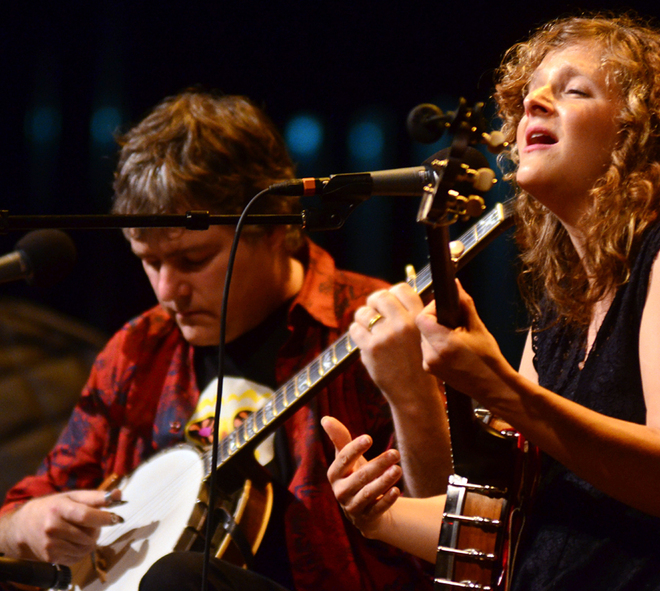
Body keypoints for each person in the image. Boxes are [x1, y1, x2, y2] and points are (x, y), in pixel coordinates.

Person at [323, 14, 660, 590]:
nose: (535, 104)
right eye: (528, 95)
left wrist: (497, 383)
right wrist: (382, 516)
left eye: (573, 90)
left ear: (639, 131)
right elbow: (507, 523)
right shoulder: (563, 303)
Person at [0, 90, 451, 591]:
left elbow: (454, 540)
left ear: (276, 230)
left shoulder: (375, 327)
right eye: (149, 262)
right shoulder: (139, 347)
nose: (168, 291)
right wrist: (26, 525)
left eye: (194, 260)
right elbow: (23, 506)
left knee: (177, 579)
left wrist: (413, 395)